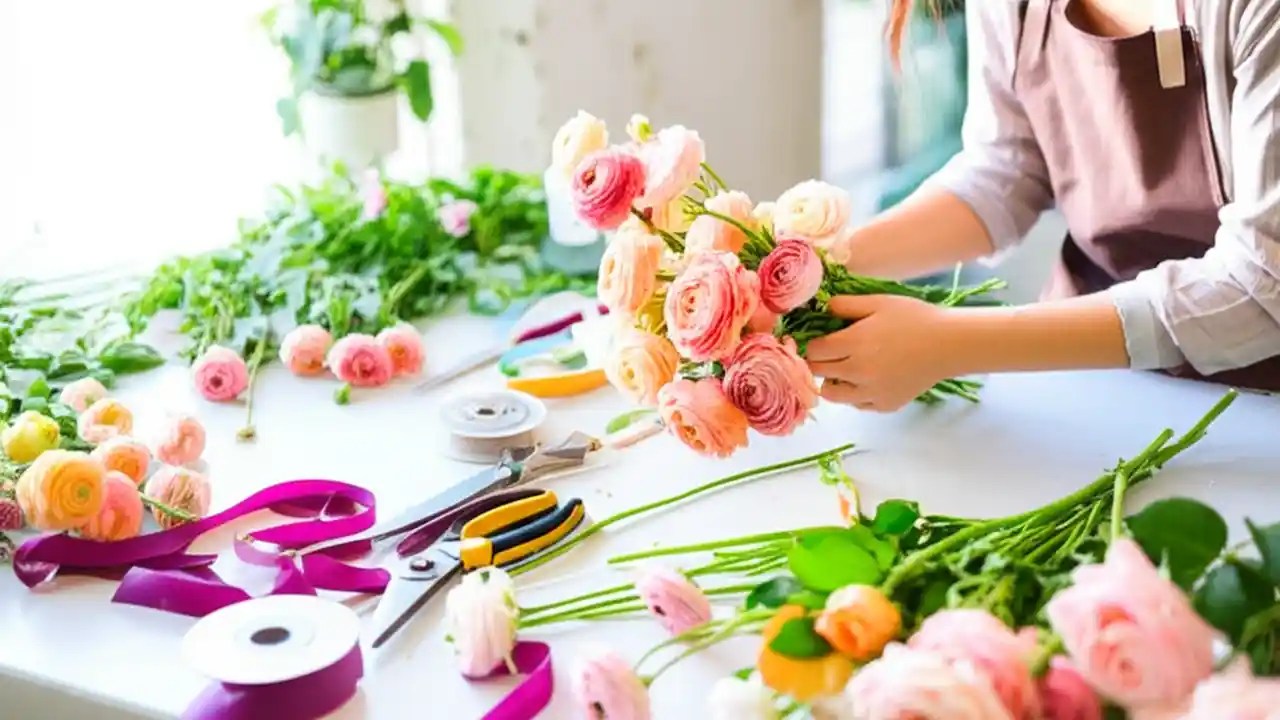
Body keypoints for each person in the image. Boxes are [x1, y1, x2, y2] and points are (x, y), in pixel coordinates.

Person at [807, 0, 1280, 411]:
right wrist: (818, 261)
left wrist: (950, 342)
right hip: (1089, 376)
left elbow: (1262, 283)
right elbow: (1007, 167)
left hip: (1257, 403)